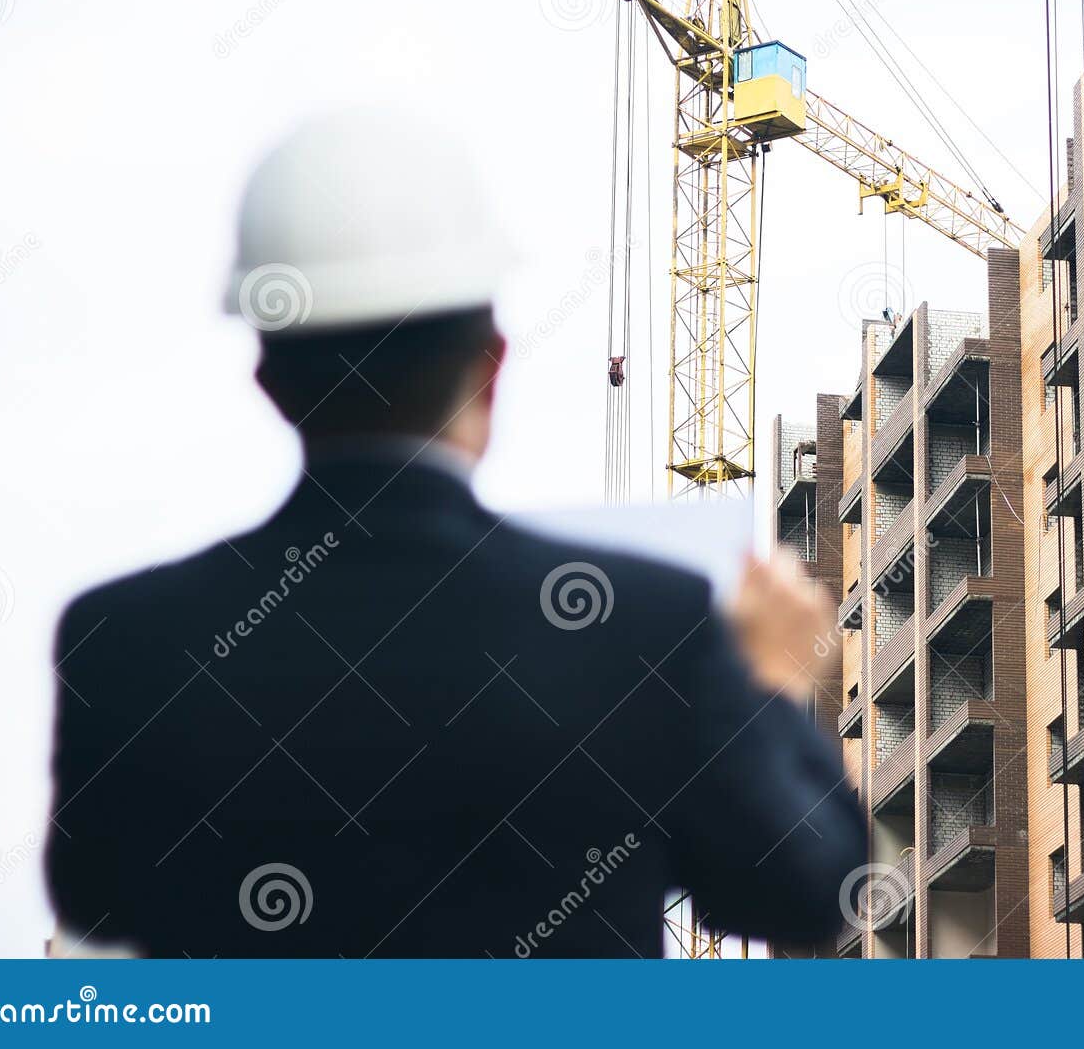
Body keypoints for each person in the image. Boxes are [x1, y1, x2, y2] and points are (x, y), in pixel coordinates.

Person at [44, 109, 863, 958]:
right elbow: (808, 891)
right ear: (493, 365)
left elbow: (98, 902)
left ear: (268, 380)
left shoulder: (124, 640)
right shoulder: (645, 628)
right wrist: (768, 682)